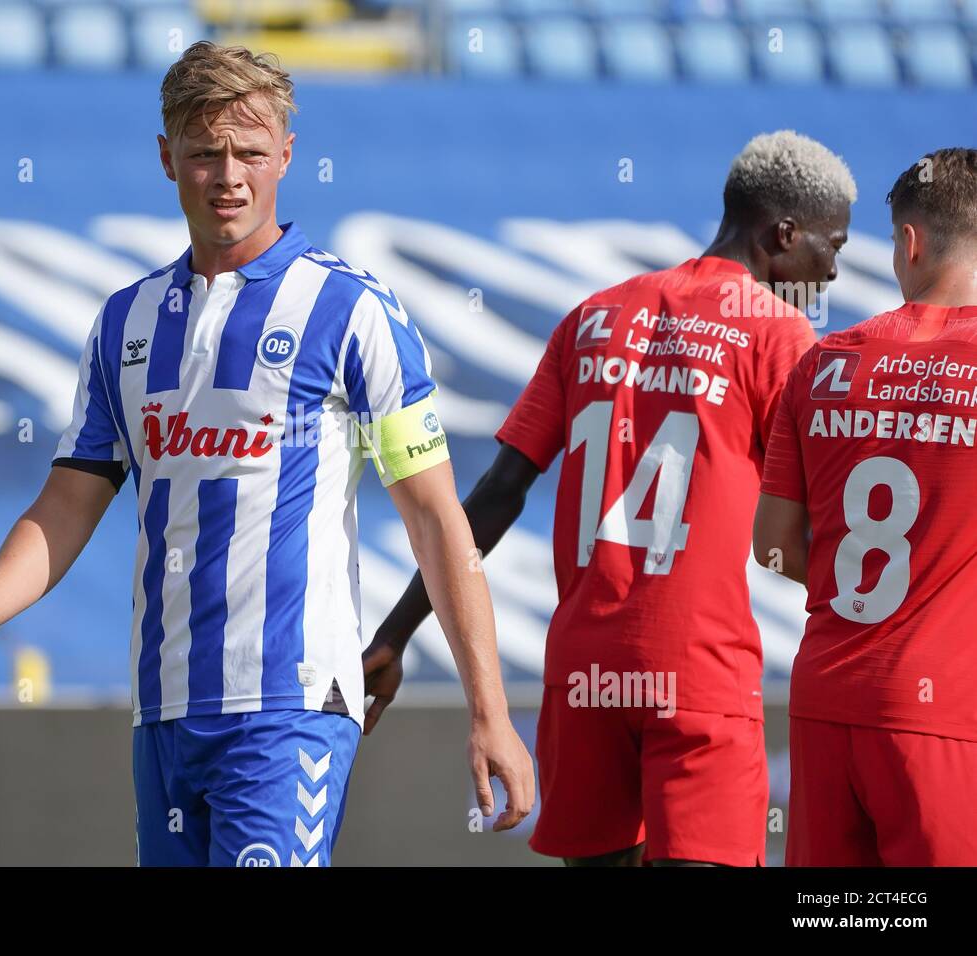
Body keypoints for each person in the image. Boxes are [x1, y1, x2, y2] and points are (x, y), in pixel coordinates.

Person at [0, 41, 533, 867]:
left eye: (250, 152)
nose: (229, 176)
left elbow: (434, 518)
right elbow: (70, 498)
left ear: (286, 154)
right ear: (167, 159)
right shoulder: (124, 324)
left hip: (289, 706)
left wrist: (488, 710)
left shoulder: (351, 309)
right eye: (205, 153)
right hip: (165, 713)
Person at [366, 131, 855, 866]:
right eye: (832, 245)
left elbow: (497, 494)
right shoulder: (780, 334)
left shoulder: (593, 315)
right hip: (698, 668)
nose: (835, 270)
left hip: (585, 671)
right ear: (784, 235)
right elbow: (820, 516)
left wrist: (396, 632)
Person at [755, 147, 977, 866]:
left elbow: (775, 545)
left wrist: (872, 588)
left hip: (825, 701)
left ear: (909, 242)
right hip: (947, 711)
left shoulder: (822, 364)